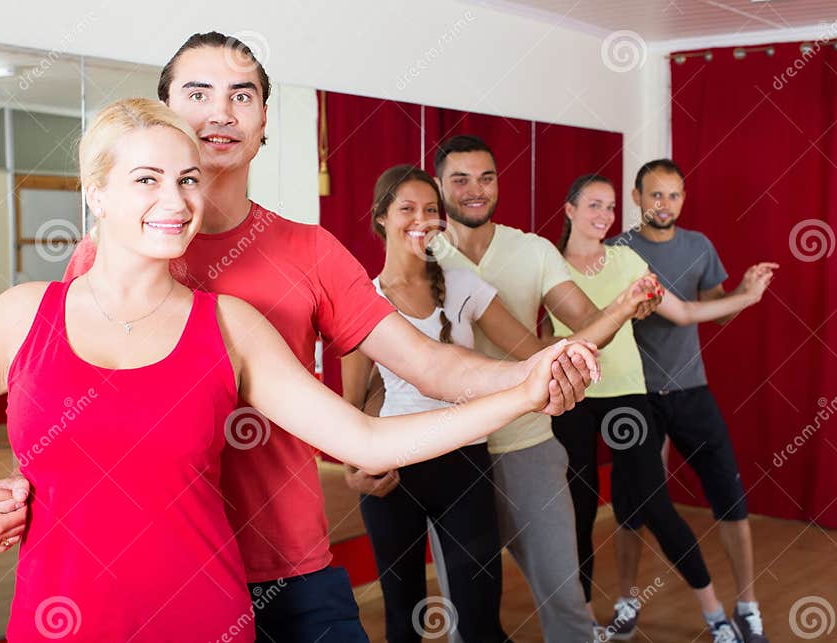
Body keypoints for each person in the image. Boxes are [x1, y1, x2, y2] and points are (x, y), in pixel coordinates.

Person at [0, 98, 590, 642]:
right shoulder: (23, 315)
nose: (175, 198)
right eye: (147, 178)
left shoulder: (227, 324)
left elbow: (366, 441)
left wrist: (522, 391)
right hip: (58, 618)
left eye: (187, 178)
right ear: (94, 192)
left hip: (204, 614)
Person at [41, 33, 599, 642]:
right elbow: (78, 406)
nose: (221, 112)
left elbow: (431, 365)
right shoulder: (108, 255)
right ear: (166, 114)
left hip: (286, 565)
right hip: (154, 564)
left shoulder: (309, 252)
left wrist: (532, 371)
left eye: (242, 96)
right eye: (197, 93)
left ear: (263, 126)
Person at [342, 165, 657, 643]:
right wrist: (354, 465)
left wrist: (621, 308)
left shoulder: (463, 286)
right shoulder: (362, 299)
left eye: (431, 209)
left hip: (465, 462)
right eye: (406, 209)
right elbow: (354, 403)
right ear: (381, 217)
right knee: (402, 616)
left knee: (479, 616)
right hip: (395, 468)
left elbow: (536, 358)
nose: (421, 219)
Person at [545, 173, 775, 641]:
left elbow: (685, 313)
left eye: (609, 207)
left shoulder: (628, 259)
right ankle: (585, 619)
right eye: (593, 205)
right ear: (568, 210)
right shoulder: (545, 264)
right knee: (581, 509)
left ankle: (715, 615)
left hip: (627, 397)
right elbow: (539, 336)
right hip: (573, 398)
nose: (604, 216)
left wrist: (747, 298)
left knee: (654, 504)